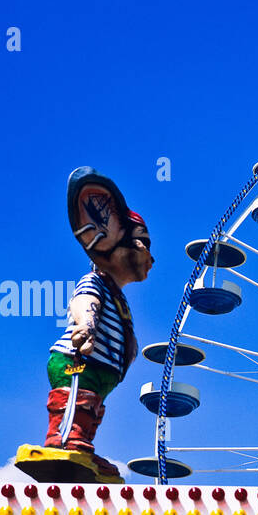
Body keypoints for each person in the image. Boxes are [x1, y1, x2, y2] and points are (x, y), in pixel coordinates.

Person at [43, 167, 154, 479]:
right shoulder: (96, 282)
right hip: (79, 359)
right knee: (76, 400)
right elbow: (83, 301)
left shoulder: (119, 299)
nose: (150, 256)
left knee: (91, 409)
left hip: (104, 370)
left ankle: (80, 445)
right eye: (144, 242)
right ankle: (62, 440)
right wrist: (86, 324)